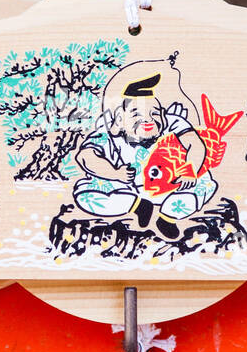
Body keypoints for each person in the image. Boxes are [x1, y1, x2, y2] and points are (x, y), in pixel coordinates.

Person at [71, 57, 216, 240]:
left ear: (163, 116)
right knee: (85, 194)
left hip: (170, 186)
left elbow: (194, 143)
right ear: (119, 120)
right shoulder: (108, 132)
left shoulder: (172, 124)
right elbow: (85, 156)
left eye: (154, 113)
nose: (147, 119)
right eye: (136, 114)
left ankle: (168, 217)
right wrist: (114, 173)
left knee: (204, 183)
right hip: (126, 188)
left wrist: (190, 169)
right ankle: (138, 206)